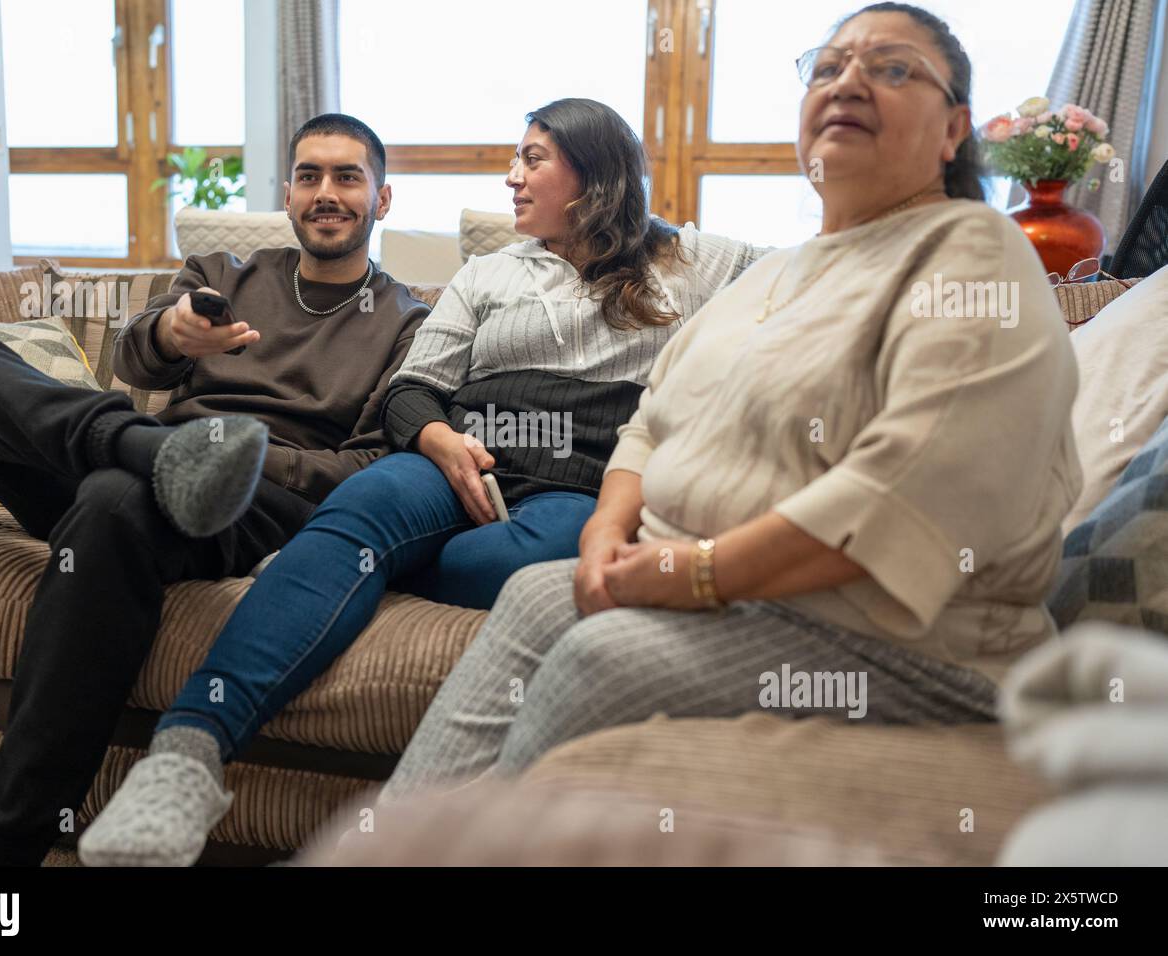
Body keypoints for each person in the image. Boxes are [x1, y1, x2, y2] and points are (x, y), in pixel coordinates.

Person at [373, 2, 1085, 804]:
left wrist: (692, 573)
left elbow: (904, 490)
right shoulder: (774, 276)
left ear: (954, 130)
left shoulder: (973, 253)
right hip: (743, 605)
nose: (847, 80)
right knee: (543, 591)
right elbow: (652, 424)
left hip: (892, 644)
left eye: (890, 68)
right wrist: (608, 532)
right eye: (826, 67)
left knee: (603, 657)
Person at [78, 97, 767, 866]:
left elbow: (817, 275)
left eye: (532, 159)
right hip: (458, 459)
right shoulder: (490, 271)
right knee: (364, 510)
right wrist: (439, 438)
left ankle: (328, 565)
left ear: (594, 171)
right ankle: (186, 754)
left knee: (493, 566)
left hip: (582, 486)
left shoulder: (691, 262)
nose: (511, 177)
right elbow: (414, 388)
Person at [0, 112, 429, 866]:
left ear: (383, 198)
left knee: (114, 500)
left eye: (347, 177)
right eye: (309, 176)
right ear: (289, 193)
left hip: (255, 507)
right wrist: (173, 337)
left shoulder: (410, 321)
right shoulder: (224, 274)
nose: (326, 193)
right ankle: (138, 445)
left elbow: (371, 471)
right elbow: (136, 365)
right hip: (135, 462)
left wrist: (231, 455)